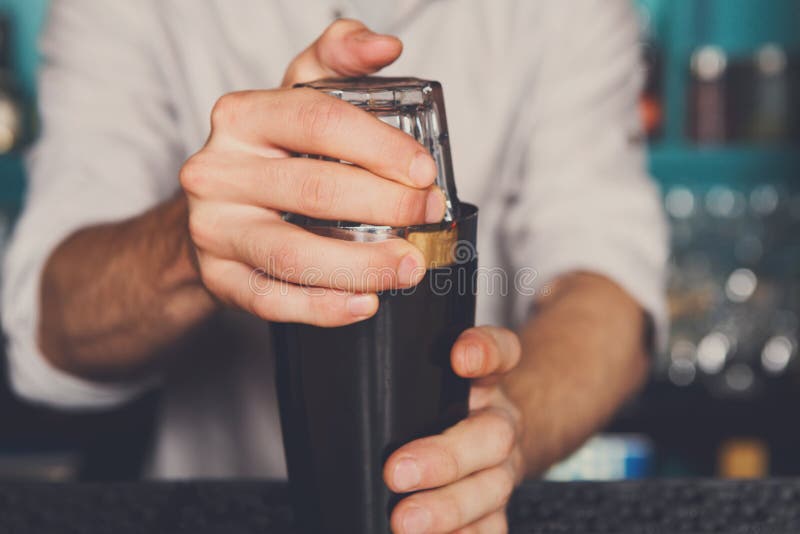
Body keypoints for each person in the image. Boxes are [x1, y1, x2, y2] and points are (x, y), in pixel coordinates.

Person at [3, 1, 667, 532]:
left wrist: (505, 427)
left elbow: (607, 285)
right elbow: (52, 331)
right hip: (209, 511)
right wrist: (187, 242)